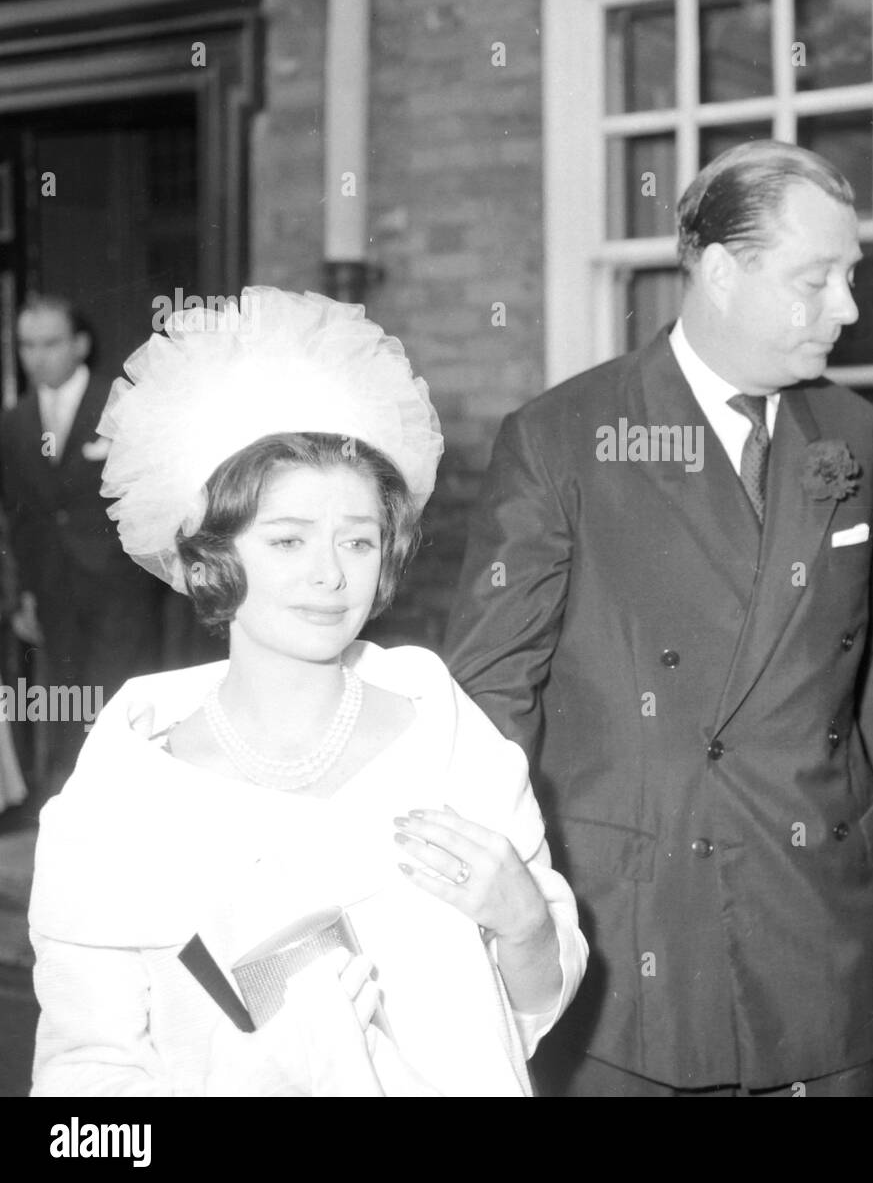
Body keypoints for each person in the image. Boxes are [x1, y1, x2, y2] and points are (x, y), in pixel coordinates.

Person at [28, 288, 586, 1096]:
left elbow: (535, 1009)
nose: (330, 574)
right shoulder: (123, 796)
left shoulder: (449, 741)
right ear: (209, 557)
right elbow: (82, 1105)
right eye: (287, 539)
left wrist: (528, 922)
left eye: (357, 540)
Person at [446, 140, 873, 1097]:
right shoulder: (562, 436)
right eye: (816, 280)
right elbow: (491, 694)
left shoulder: (852, 434)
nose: (849, 309)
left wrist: (868, 854)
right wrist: (508, 906)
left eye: (850, 278)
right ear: (724, 273)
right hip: (637, 928)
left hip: (817, 914)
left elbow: (870, 679)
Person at [0, 295, 162, 780]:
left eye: (50, 343)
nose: (37, 356)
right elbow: (19, 515)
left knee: (118, 694)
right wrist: (24, 594)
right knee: (66, 697)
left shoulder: (121, 405)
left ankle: (124, 797)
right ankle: (73, 801)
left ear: (80, 345)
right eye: (27, 345)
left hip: (119, 584)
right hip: (52, 585)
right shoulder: (15, 420)